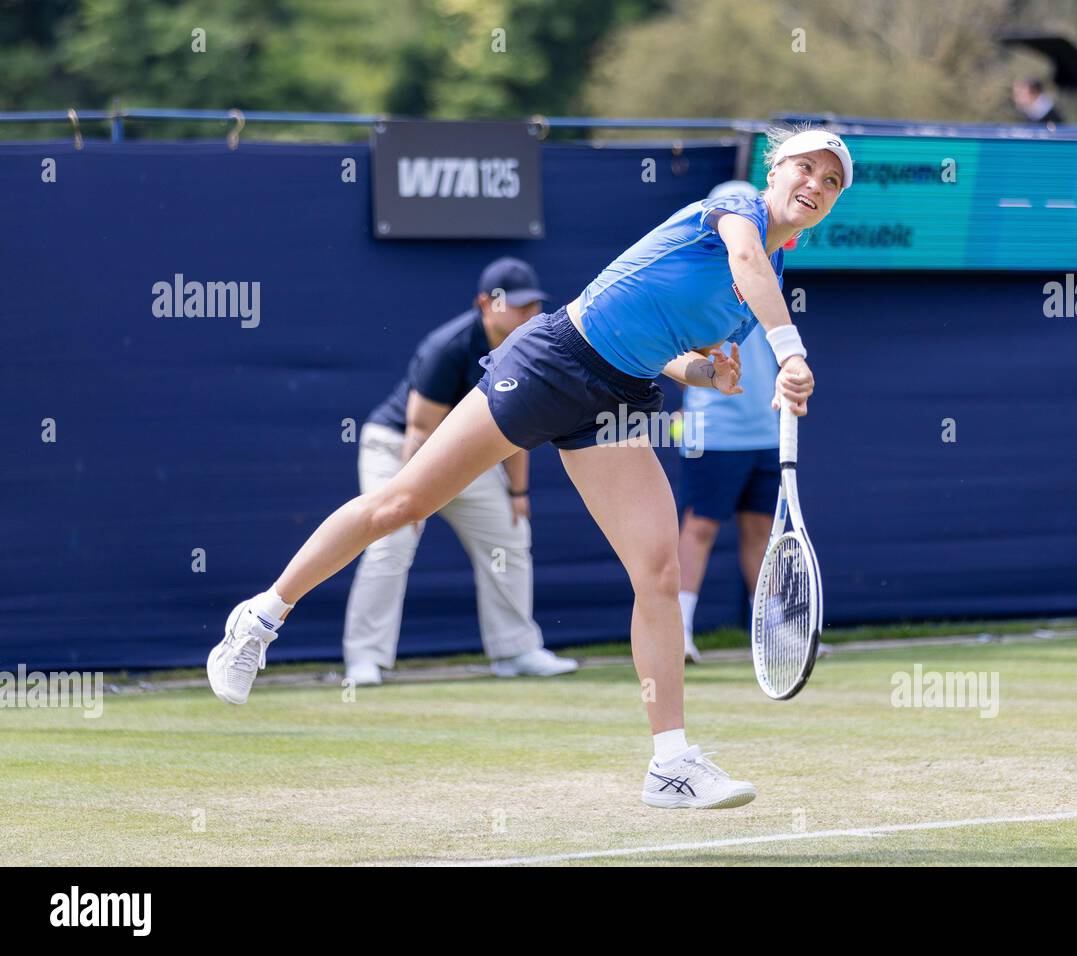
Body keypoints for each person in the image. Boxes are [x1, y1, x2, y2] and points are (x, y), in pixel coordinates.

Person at [207, 126, 852, 810]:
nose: (814, 185)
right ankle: (259, 618)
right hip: (555, 361)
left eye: (830, 182)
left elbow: (679, 352)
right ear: (775, 171)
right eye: (805, 169)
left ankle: (670, 763)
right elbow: (746, 260)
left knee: (657, 571)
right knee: (401, 504)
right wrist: (790, 352)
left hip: (620, 397)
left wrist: (709, 372)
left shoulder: (769, 282)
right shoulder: (736, 207)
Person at [342, 257, 577, 686]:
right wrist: (406, 502)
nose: (529, 315)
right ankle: (365, 659)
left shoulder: (526, 351)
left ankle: (516, 651)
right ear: (486, 304)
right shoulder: (446, 346)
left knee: (509, 536)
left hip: (465, 452)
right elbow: (419, 428)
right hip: (398, 447)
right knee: (389, 542)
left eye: (533, 306)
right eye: (519, 306)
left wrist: (517, 494)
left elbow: (516, 429)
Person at [676, 182, 782, 664]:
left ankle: (774, 634)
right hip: (712, 431)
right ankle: (676, 633)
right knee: (698, 528)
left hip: (766, 430)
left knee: (761, 533)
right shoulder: (695, 280)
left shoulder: (772, 272)